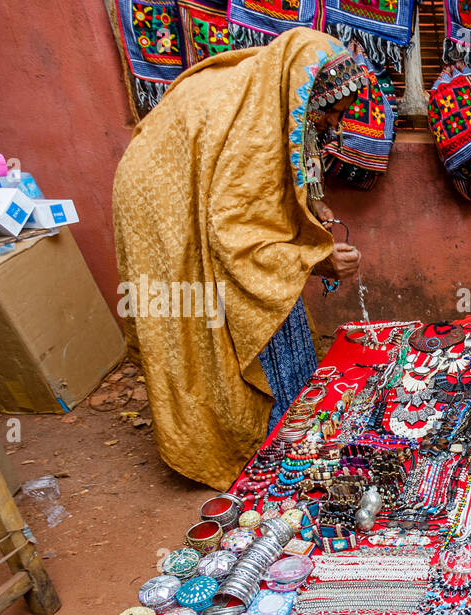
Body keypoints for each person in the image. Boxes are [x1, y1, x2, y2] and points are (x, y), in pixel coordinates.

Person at [113, 28, 366, 490]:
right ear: (307, 94)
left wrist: (312, 213)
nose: (336, 124)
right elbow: (240, 241)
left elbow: (282, 183)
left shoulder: (281, 99)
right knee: (205, 325)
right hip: (164, 201)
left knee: (264, 303)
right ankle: (249, 443)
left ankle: (290, 421)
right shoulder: (254, 129)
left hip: (202, 188)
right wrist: (316, 260)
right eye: (331, 112)